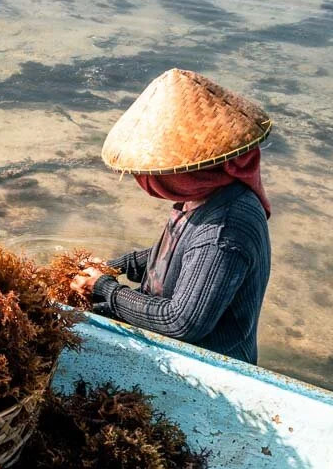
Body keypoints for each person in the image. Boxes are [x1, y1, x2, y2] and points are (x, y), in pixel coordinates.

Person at [71, 68, 272, 364]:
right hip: (175, 340)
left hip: (207, 363)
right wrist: (118, 266)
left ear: (190, 170)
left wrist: (105, 288)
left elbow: (180, 322)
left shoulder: (224, 230)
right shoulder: (205, 193)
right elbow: (183, 257)